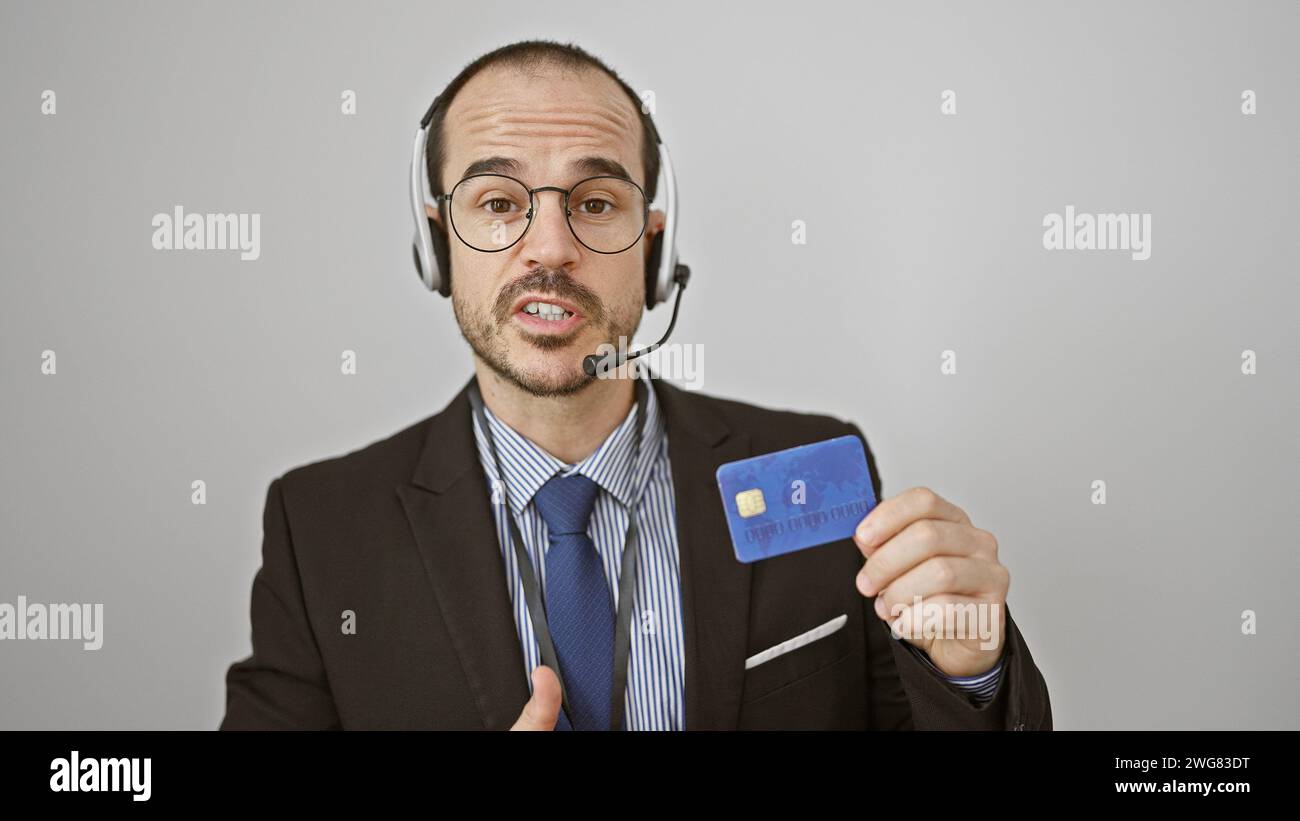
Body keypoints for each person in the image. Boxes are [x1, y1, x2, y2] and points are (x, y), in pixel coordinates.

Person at [220, 39, 1050, 731]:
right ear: (438, 247)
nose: (549, 247)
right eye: (499, 200)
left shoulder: (808, 467)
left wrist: (974, 672)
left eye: (597, 201)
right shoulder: (321, 528)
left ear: (654, 250)